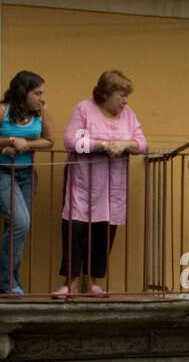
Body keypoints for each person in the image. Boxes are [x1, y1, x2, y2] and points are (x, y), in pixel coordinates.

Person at [55, 70, 146, 298]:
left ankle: (92, 282)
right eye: (121, 95)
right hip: (83, 182)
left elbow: (142, 145)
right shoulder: (84, 109)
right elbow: (71, 142)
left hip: (113, 186)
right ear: (105, 93)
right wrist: (102, 145)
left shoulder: (129, 115)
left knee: (103, 231)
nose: (125, 101)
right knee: (75, 229)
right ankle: (71, 283)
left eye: (126, 96)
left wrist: (125, 144)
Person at [0, 71, 53, 295]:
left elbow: (49, 141)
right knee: (20, 222)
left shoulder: (42, 111)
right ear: (23, 93)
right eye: (37, 93)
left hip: (26, 173)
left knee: (17, 226)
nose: (42, 98)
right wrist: (10, 140)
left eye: (42, 93)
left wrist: (26, 145)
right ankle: (6, 281)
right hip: (1, 171)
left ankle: (9, 283)